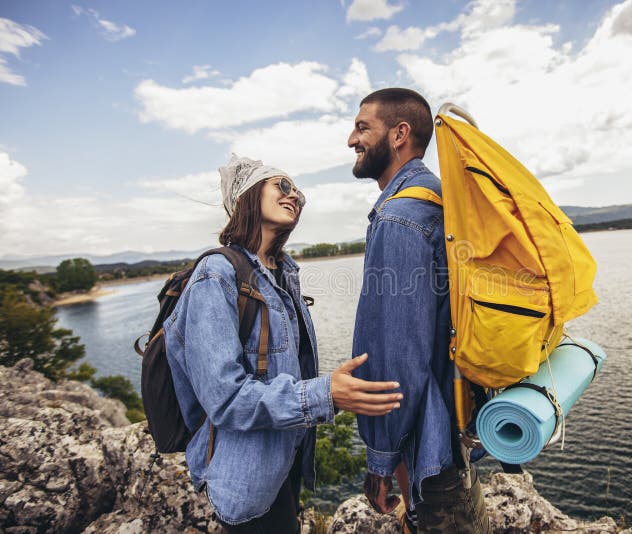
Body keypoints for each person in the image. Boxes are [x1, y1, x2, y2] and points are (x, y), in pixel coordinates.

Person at [164, 154, 404, 533]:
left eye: (299, 193)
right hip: (247, 480)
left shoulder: (282, 273)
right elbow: (225, 399)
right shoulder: (216, 275)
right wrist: (326, 393)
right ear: (246, 194)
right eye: (283, 185)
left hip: (284, 465)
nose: (295, 196)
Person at [347, 88, 490, 533]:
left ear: (399, 134)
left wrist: (380, 462)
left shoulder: (399, 219)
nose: (351, 139)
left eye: (362, 127)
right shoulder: (442, 198)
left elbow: (398, 361)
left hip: (429, 458)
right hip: (455, 430)